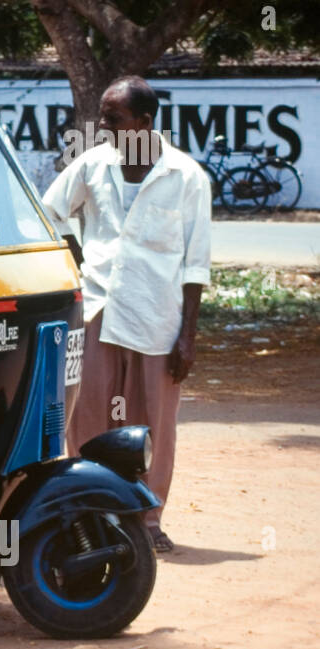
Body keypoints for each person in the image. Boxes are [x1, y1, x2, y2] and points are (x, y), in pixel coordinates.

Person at [41, 75, 212, 553]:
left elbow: (196, 263)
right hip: (97, 308)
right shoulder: (93, 165)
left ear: (144, 121)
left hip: (158, 319)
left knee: (153, 423)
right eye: (103, 116)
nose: (103, 125)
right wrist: (75, 258)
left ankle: (147, 519)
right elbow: (50, 211)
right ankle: (92, 510)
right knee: (87, 418)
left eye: (113, 118)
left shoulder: (186, 177)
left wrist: (188, 337)